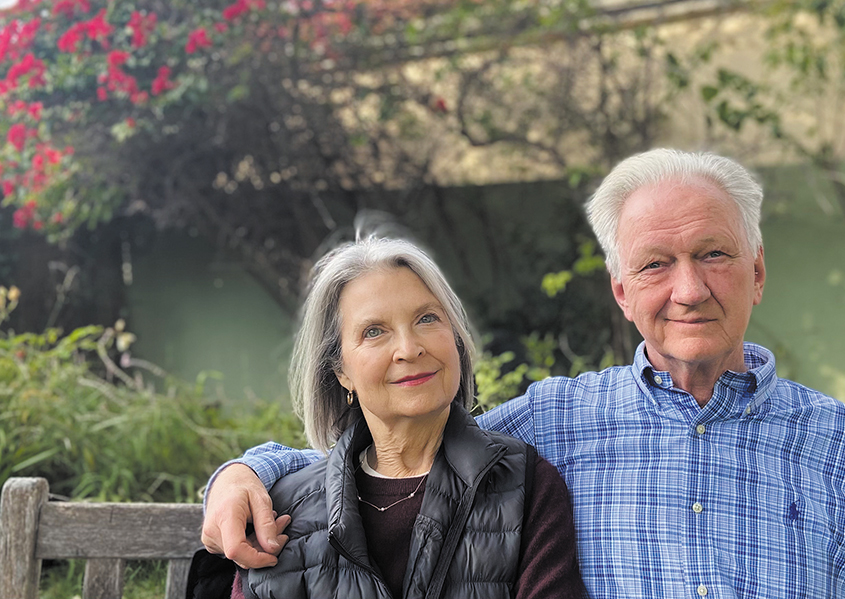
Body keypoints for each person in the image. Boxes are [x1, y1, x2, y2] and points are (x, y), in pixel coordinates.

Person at [200, 149, 845, 598]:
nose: (687, 289)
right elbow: (391, 448)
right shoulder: (558, 424)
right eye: (654, 264)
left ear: (756, 271)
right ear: (622, 292)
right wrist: (242, 471)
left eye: (712, 254)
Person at [187, 238, 586, 599]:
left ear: (457, 339)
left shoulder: (525, 483)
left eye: (427, 319)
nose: (409, 348)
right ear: (341, 371)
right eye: (375, 331)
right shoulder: (280, 509)